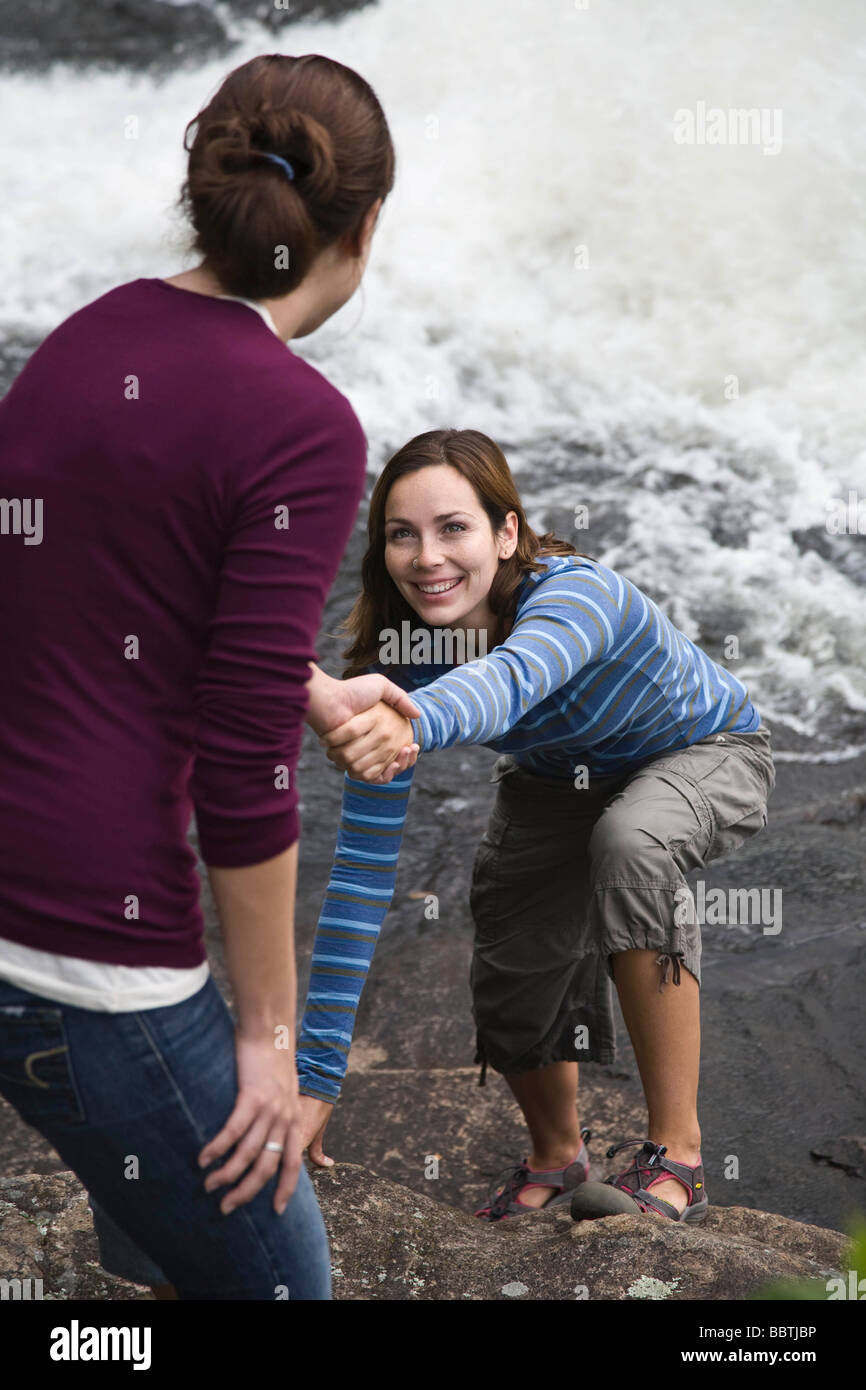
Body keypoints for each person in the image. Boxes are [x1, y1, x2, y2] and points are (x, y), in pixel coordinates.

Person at [0, 52, 420, 1300]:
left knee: (150, 1213)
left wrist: (302, 679)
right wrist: (268, 1041)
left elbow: (82, 569)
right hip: (83, 952)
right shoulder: (301, 423)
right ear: (364, 227)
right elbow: (239, 761)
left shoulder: (90, 333)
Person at [293, 426, 776, 1224]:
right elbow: (359, 875)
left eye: (454, 528)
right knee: (512, 948)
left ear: (506, 532)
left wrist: (408, 725)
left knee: (632, 843)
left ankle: (677, 1156)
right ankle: (558, 1155)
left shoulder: (573, 593)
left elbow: (515, 680)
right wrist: (316, 1077)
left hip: (706, 750)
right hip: (557, 776)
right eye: (401, 535)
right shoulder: (399, 658)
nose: (427, 557)